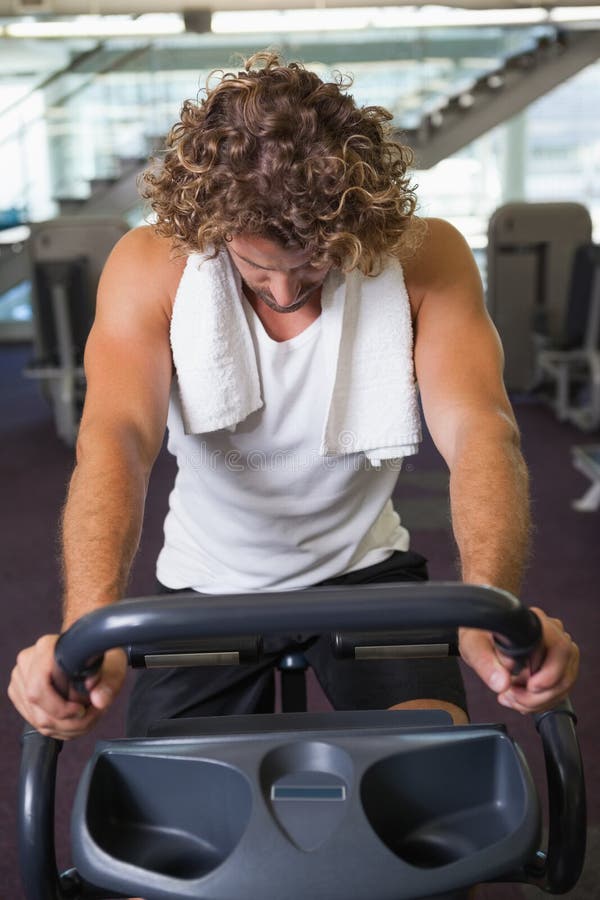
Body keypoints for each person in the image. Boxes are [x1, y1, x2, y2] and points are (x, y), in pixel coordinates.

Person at [9, 52, 578, 744]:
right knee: (181, 816)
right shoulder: (149, 268)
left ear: (359, 228)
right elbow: (116, 440)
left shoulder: (428, 258)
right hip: (208, 578)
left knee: (427, 782)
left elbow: (481, 432)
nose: (284, 294)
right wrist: (87, 626)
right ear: (211, 234)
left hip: (365, 569)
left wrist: (494, 610)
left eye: (312, 264)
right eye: (256, 271)